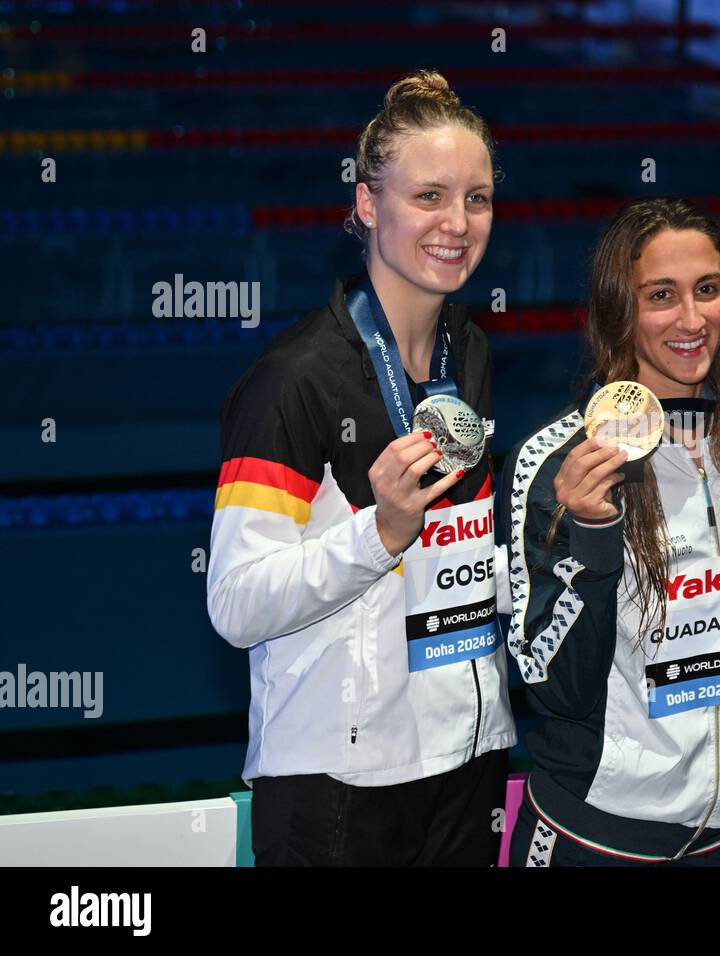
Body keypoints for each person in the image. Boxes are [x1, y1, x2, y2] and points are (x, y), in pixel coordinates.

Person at [206, 70, 514, 866]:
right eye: (430, 197)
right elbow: (235, 602)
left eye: (476, 198)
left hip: (468, 760)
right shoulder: (294, 379)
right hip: (340, 783)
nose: (457, 223)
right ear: (369, 205)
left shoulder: (469, 352)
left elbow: (462, 549)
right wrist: (379, 533)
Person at [499, 198, 720, 866]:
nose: (691, 320)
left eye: (707, 291)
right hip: (596, 838)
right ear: (618, 311)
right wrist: (594, 539)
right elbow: (553, 685)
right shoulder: (556, 464)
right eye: (662, 296)